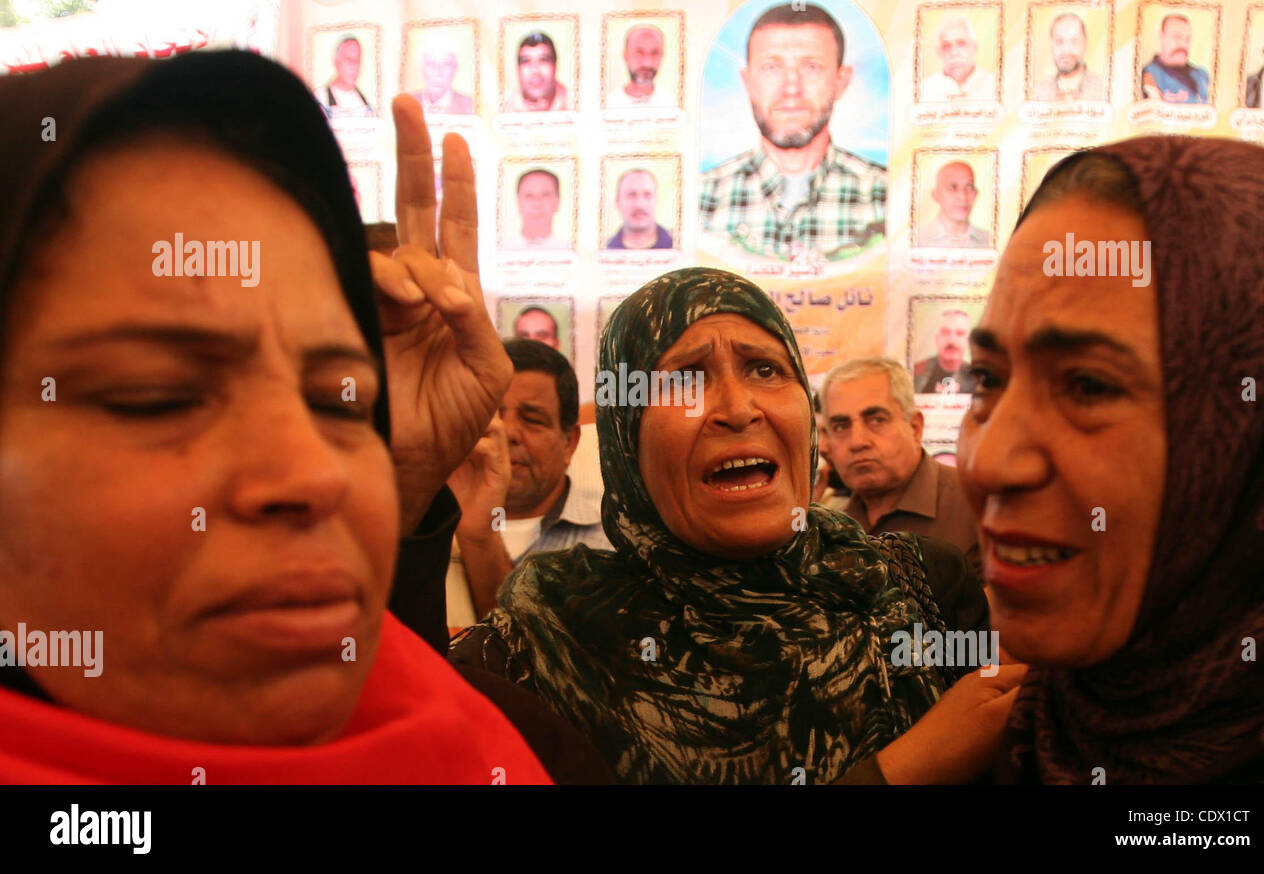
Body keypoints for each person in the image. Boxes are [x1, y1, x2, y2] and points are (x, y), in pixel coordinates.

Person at [0, 49, 606, 783]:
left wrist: (405, 477)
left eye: (336, 401)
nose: (315, 473)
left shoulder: (518, 748)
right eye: (155, 396)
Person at [451, 267, 1013, 785]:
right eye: (686, 380)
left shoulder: (923, 590)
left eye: (766, 369)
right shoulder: (535, 653)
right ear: (626, 437)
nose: (739, 408)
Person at [961, 136, 1264, 783]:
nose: (987, 463)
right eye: (986, 378)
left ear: (1261, 429)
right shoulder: (1028, 733)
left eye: (1088, 386)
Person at [698, 3, 887, 261]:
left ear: (841, 81)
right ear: (747, 81)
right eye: (771, 67)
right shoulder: (699, 200)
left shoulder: (887, 197)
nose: (791, 88)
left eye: (811, 67)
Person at [444, 340, 612, 628]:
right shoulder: (424, 527)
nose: (507, 432)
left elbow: (551, 664)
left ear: (569, 442)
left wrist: (479, 536)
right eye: (491, 414)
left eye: (532, 419)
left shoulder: (612, 541)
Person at [821, 359, 979, 570]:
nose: (857, 442)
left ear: (914, 428)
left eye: (877, 420)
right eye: (841, 426)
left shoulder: (977, 505)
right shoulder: (830, 526)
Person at [920, 15, 997, 101]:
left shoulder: (994, 87)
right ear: (939, 52)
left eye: (961, 44)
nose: (954, 52)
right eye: (946, 46)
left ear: (975, 47)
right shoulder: (924, 91)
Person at [1032, 12, 1106, 101]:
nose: (1066, 50)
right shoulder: (1037, 93)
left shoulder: (1104, 90)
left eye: (1074, 41)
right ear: (1051, 45)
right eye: (1059, 41)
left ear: (1085, 44)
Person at [917, 161, 991, 249]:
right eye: (952, 187)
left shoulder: (989, 242)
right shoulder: (917, 240)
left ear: (976, 194)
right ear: (935, 195)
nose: (963, 196)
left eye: (969, 187)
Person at [1141, 14, 1210, 104]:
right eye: (1177, 37)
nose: (1183, 45)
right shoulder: (1146, 76)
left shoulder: (1202, 76)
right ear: (1162, 37)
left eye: (1188, 39)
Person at [607, 24, 672, 108]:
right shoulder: (607, 106)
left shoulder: (673, 106)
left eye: (655, 53)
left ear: (662, 56)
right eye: (639, 53)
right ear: (625, 55)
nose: (647, 63)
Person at [503, 32, 571, 112]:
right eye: (526, 61)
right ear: (518, 69)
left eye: (543, 60)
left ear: (555, 66)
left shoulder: (576, 104)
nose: (535, 70)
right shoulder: (504, 107)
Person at [606, 168, 673, 249]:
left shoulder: (678, 249)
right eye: (631, 195)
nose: (640, 204)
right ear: (617, 202)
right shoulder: (604, 253)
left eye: (647, 195)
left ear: (657, 201)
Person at [914, 309, 977, 393]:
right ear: (936, 338)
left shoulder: (977, 379)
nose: (952, 340)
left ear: (968, 340)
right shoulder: (914, 373)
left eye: (960, 333)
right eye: (945, 333)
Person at [316, 35, 375, 118]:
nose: (353, 66)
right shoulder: (320, 98)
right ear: (336, 62)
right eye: (348, 60)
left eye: (357, 60)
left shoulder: (366, 107)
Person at [507, 169, 566, 249]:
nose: (537, 203)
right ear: (518, 202)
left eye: (545, 195)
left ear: (557, 202)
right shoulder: (501, 252)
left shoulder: (571, 254)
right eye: (529, 196)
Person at [414, 41, 474, 114]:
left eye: (445, 65)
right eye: (431, 64)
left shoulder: (470, 105)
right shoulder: (407, 103)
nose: (437, 72)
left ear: (455, 69)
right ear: (422, 68)